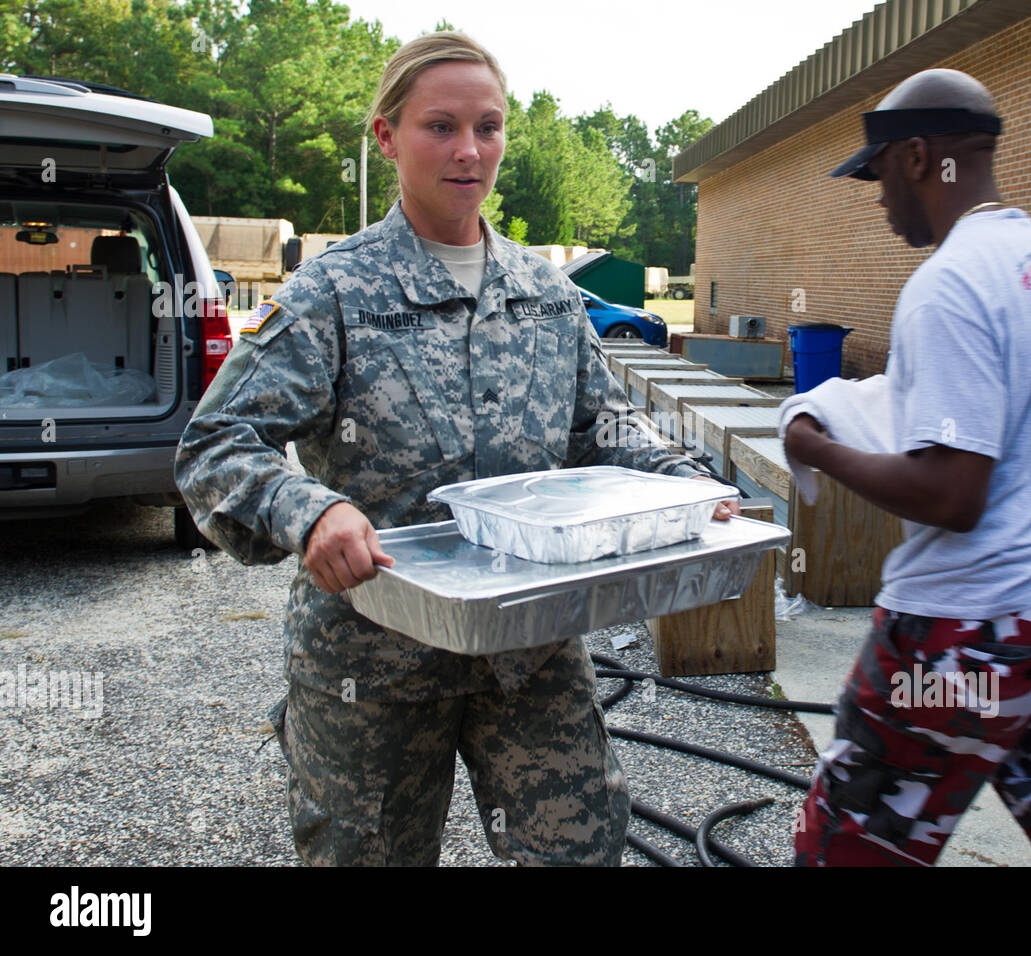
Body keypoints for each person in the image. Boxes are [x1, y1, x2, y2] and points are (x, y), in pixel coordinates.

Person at [175, 31, 735, 867]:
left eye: (489, 126)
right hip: (375, 657)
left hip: (531, 646)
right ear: (386, 137)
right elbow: (217, 444)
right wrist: (309, 509)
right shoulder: (335, 290)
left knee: (579, 848)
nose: (470, 151)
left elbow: (604, 425)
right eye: (440, 126)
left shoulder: (545, 294)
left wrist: (687, 485)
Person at [785, 68, 1031, 867]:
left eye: (880, 171)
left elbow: (952, 495)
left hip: (976, 629)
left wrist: (816, 447)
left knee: (852, 845)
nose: (879, 195)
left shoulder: (947, 285)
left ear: (920, 157)